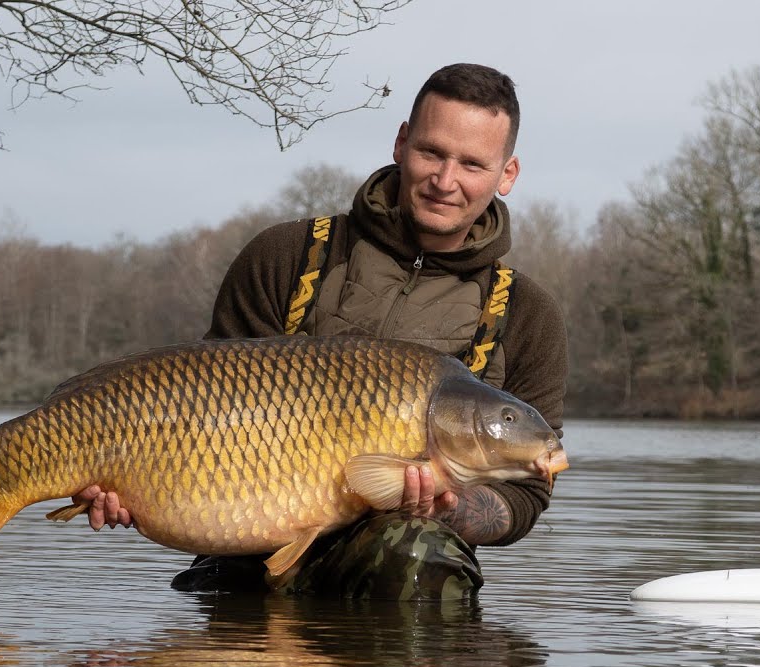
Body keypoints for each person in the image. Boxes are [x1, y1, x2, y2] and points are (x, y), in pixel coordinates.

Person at [74, 63, 568, 601]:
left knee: (417, 555)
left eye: (472, 164)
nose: (445, 181)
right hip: (244, 547)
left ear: (507, 174)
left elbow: (527, 499)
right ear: (402, 143)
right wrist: (125, 481)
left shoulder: (526, 314)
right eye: (432, 152)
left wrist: (452, 509)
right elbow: (200, 408)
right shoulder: (287, 255)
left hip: (395, 569)